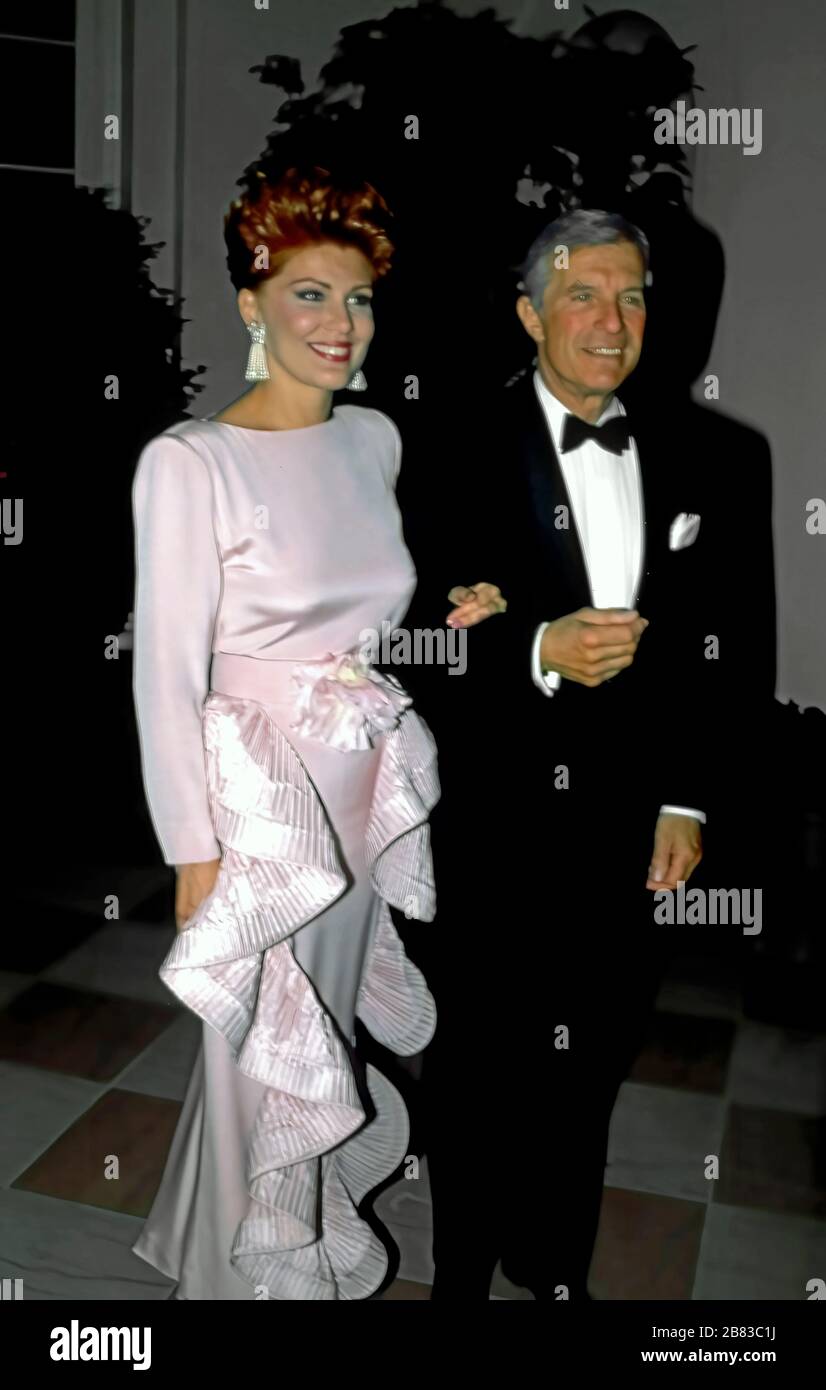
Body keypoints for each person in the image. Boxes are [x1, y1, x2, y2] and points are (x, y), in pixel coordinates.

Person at [129, 165, 494, 1301]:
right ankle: (244, 1285)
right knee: (258, 1063)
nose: (340, 324)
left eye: (358, 299)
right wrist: (192, 851)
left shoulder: (372, 440)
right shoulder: (189, 461)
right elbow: (162, 672)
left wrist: (450, 618)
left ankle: (209, 1247)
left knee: (308, 1047)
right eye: (308, 296)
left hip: (355, 790)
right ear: (252, 303)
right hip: (258, 812)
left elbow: (355, 607)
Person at [418, 208, 775, 1301]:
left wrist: (687, 799)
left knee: (587, 1068)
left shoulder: (722, 455)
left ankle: (553, 1268)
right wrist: (530, 647)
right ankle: (461, 1277)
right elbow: (398, 644)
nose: (610, 319)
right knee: (480, 1072)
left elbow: (734, 650)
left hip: (631, 827)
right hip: (489, 818)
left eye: (631, 295)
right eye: (581, 292)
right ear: (529, 313)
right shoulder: (437, 444)